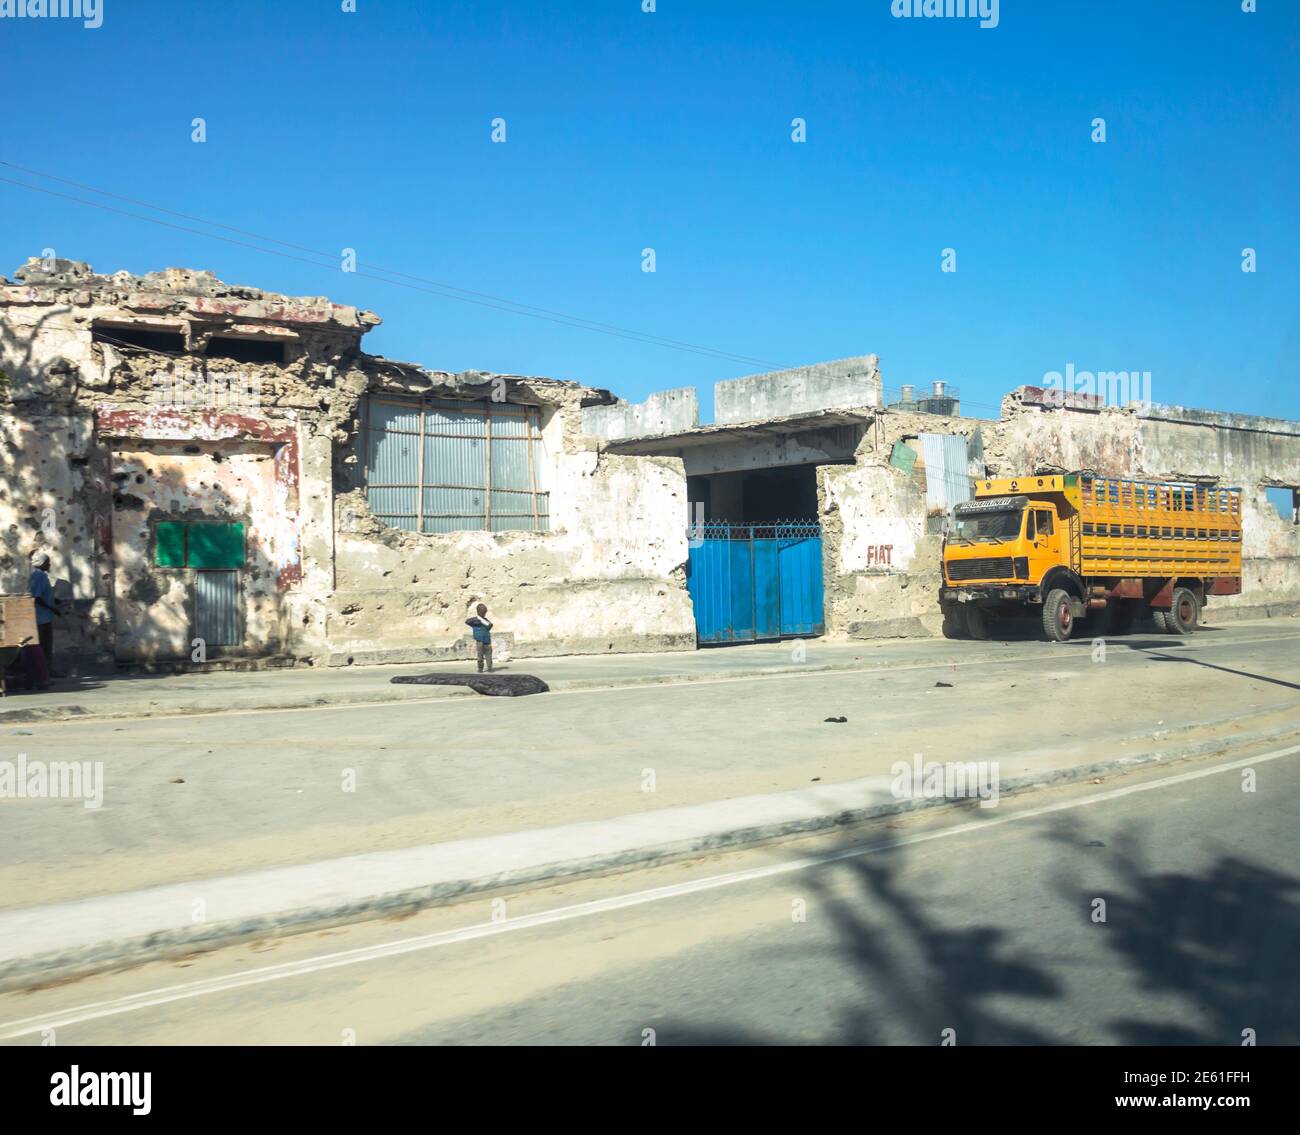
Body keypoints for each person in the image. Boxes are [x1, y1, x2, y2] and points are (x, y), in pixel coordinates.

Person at [28, 550, 58, 680]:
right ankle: (43, 674)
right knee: (43, 648)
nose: (49, 564)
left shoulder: (41, 575)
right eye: (47, 562)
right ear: (41, 563)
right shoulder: (38, 575)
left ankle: (47, 672)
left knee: (46, 647)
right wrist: (53, 608)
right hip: (40, 618)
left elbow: (43, 595)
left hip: (45, 617)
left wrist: (55, 601)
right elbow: (36, 598)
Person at [465, 603, 494, 673]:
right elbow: (467, 621)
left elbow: (490, 626)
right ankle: (480, 668)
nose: (484, 613)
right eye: (482, 612)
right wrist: (477, 619)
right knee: (480, 655)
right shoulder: (475, 621)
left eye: (484, 612)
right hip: (479, 640)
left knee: (488, 655)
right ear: (479, 612)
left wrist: (483, 621)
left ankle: (489, 668)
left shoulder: (485, 620)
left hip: (487, 640)